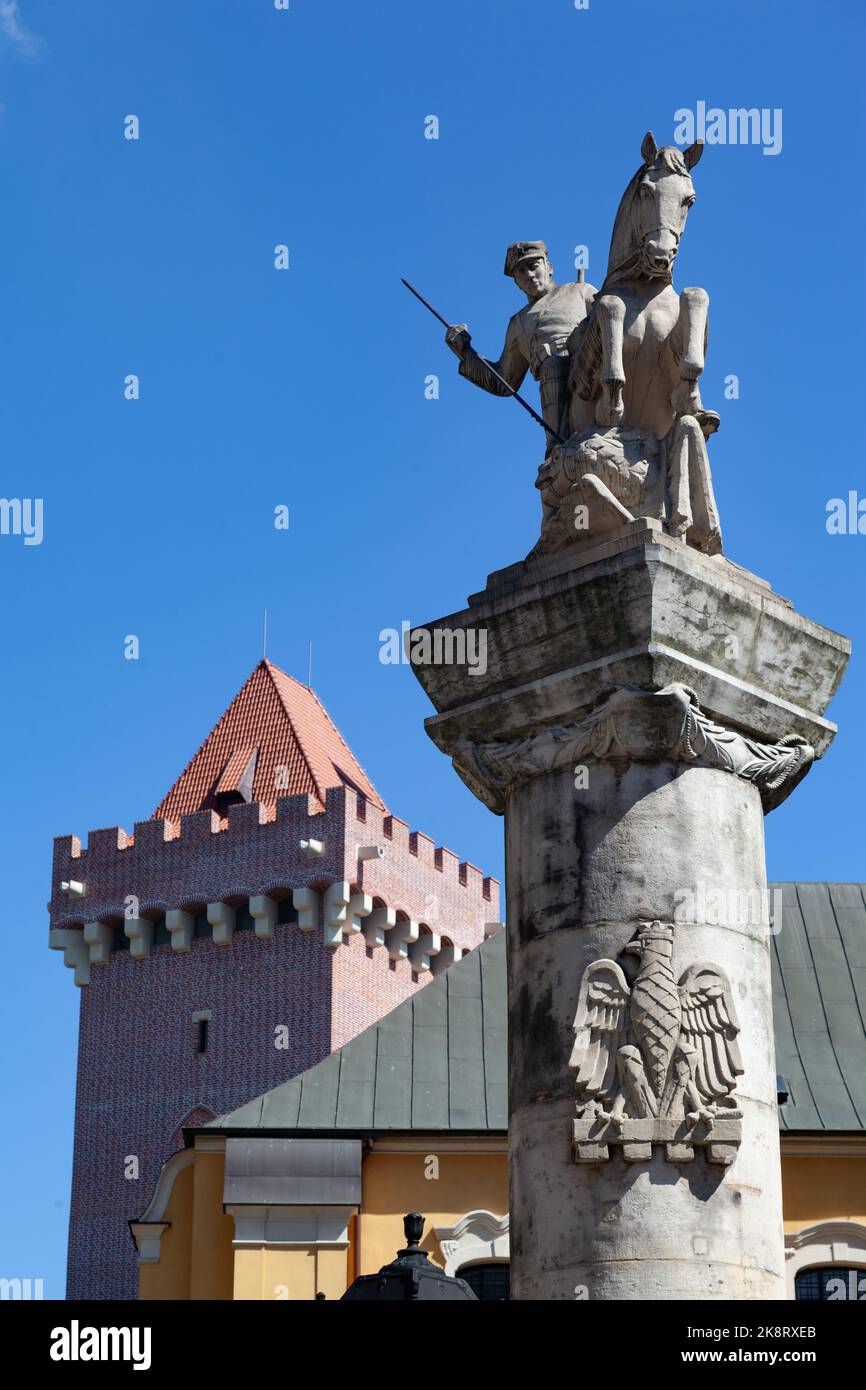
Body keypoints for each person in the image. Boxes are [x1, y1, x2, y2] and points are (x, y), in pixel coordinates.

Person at [445, 241, 596, 451]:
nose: (529, 275)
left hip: (590, 362)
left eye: (534, 266)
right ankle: (557, 448)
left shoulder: (580, 291)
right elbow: (503, 381)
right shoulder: (518, 323)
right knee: (552, 365)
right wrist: (464, 352)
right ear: (516, 282)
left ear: (549, 267)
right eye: (521, 272)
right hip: (553, 380)